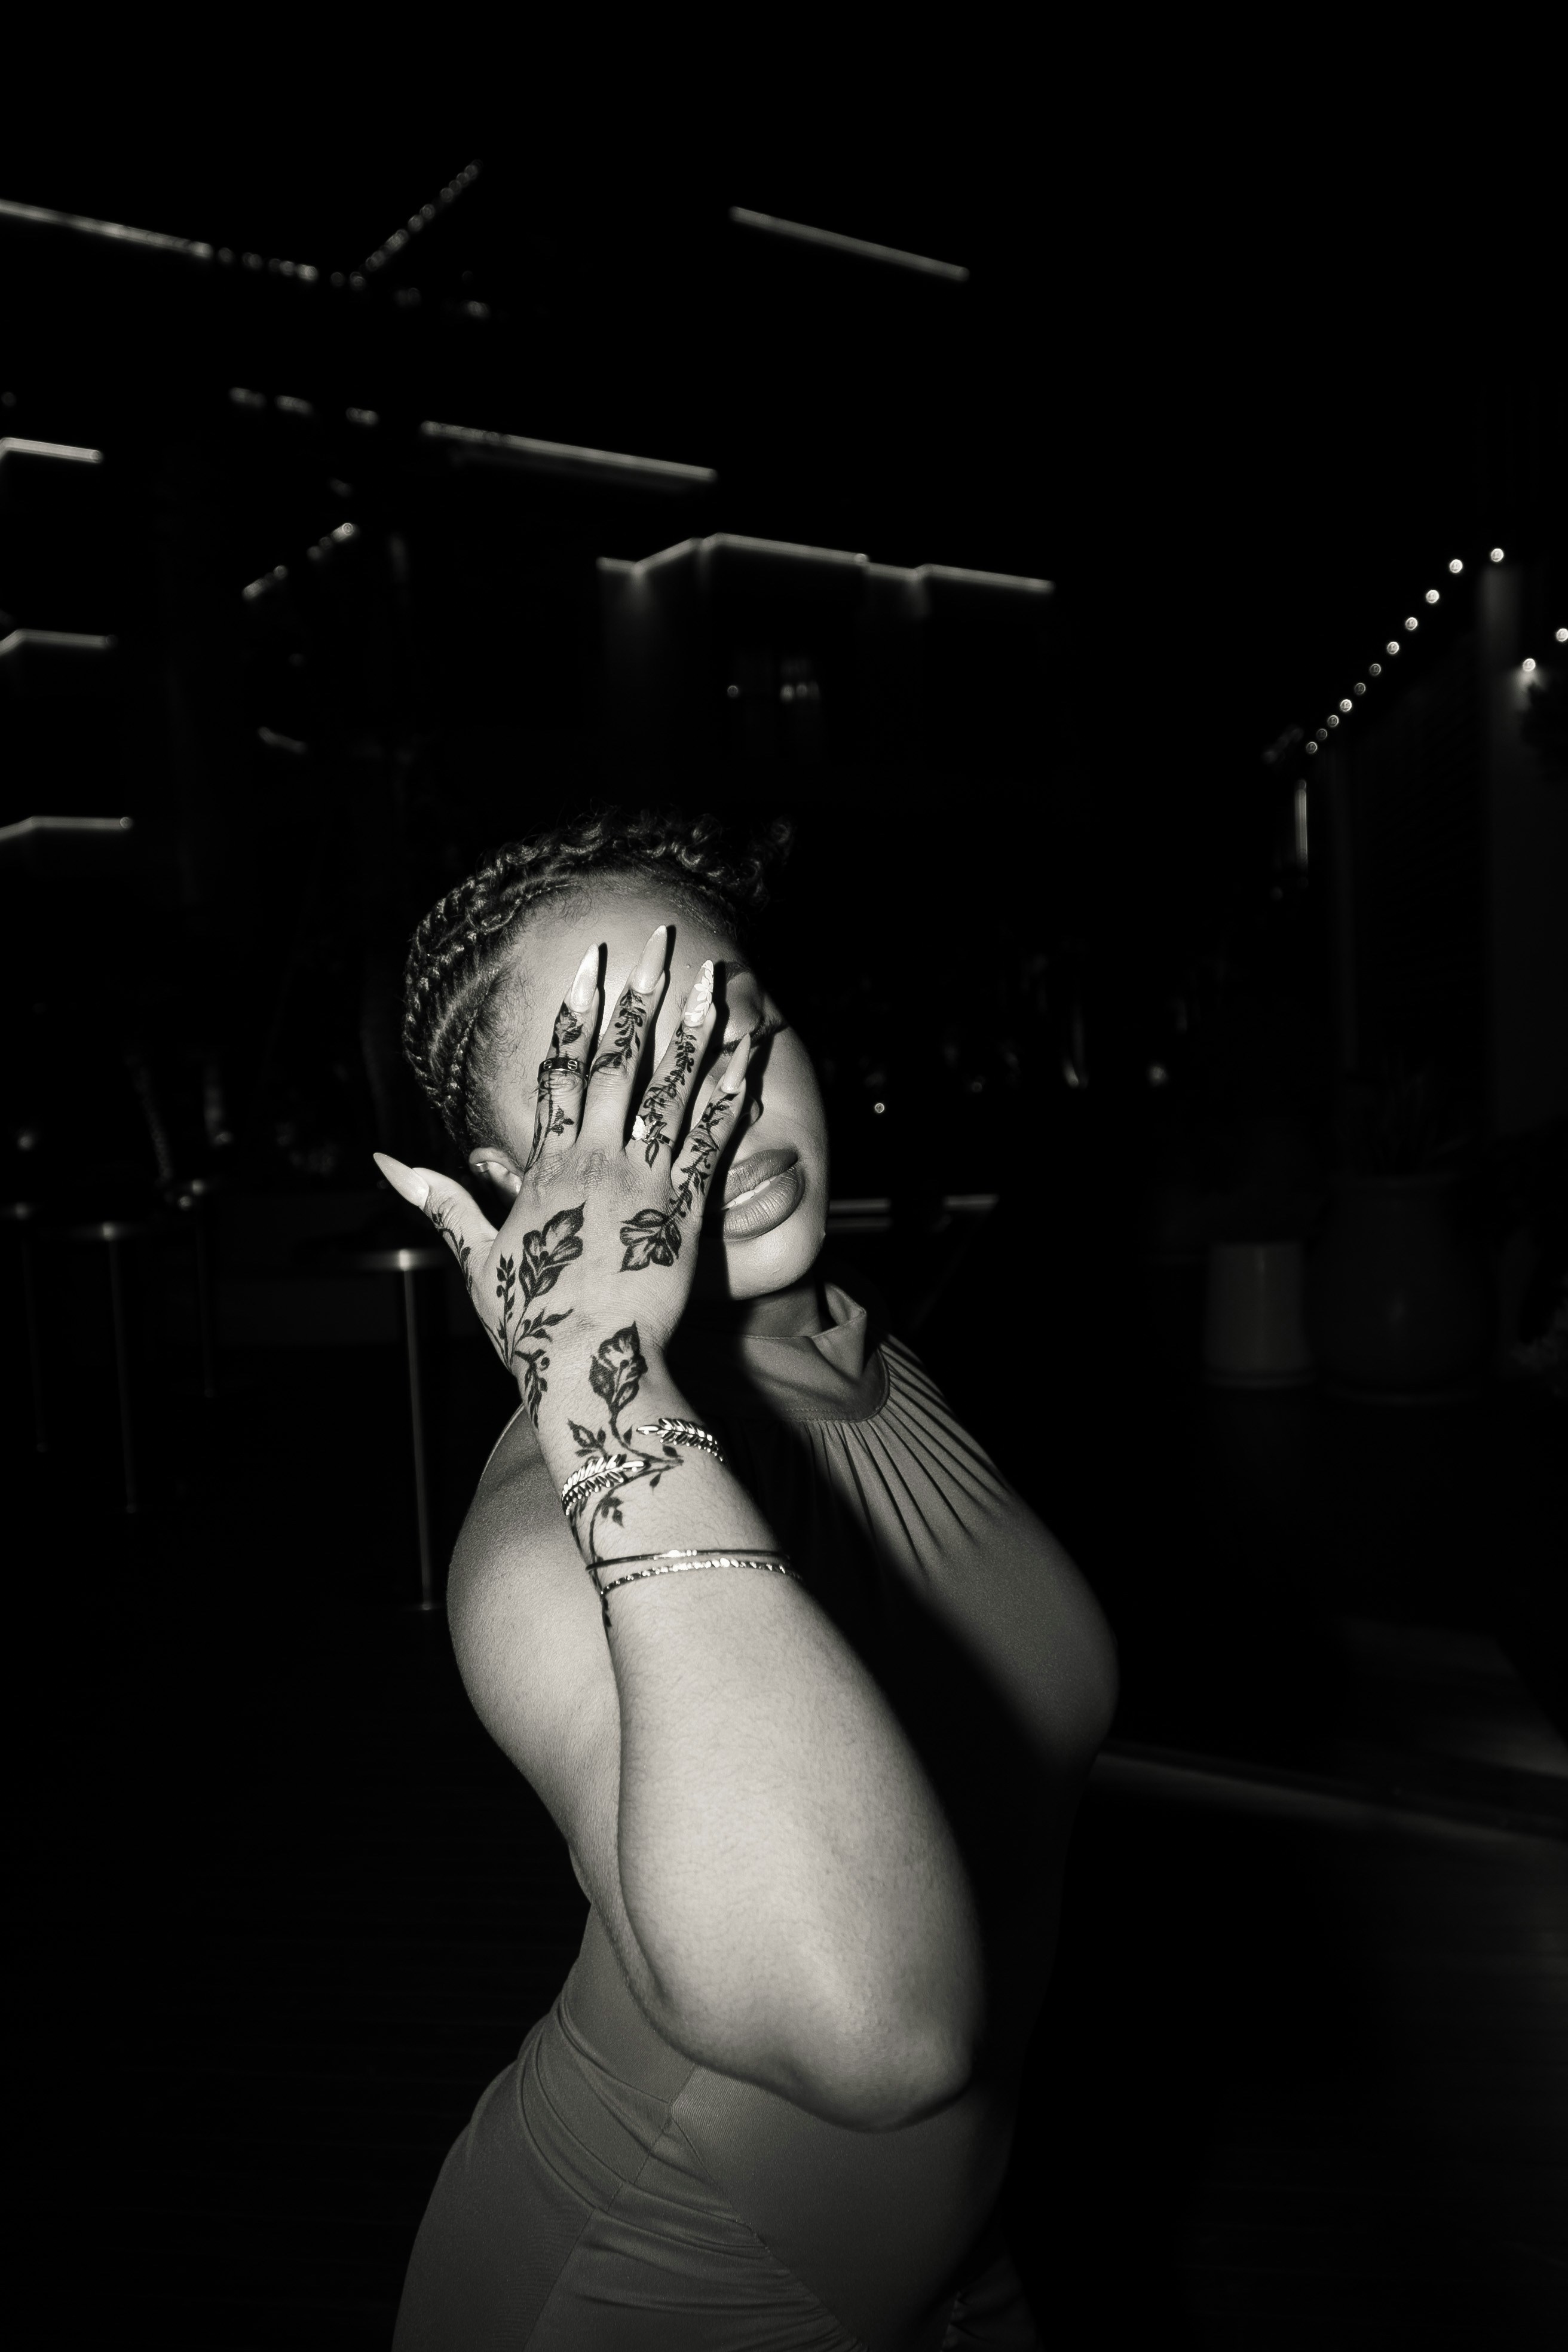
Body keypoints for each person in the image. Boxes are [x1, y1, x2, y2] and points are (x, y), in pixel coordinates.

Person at [376, 804, 1118, 2350]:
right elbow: (879, 2033)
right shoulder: (543, 1529)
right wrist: (590, 1366)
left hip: (954, 2261)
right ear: (511, 1182)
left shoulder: (858, 1341)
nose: (709, 1116)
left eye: (733, 1031)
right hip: (653, 2285)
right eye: (621, 1083)